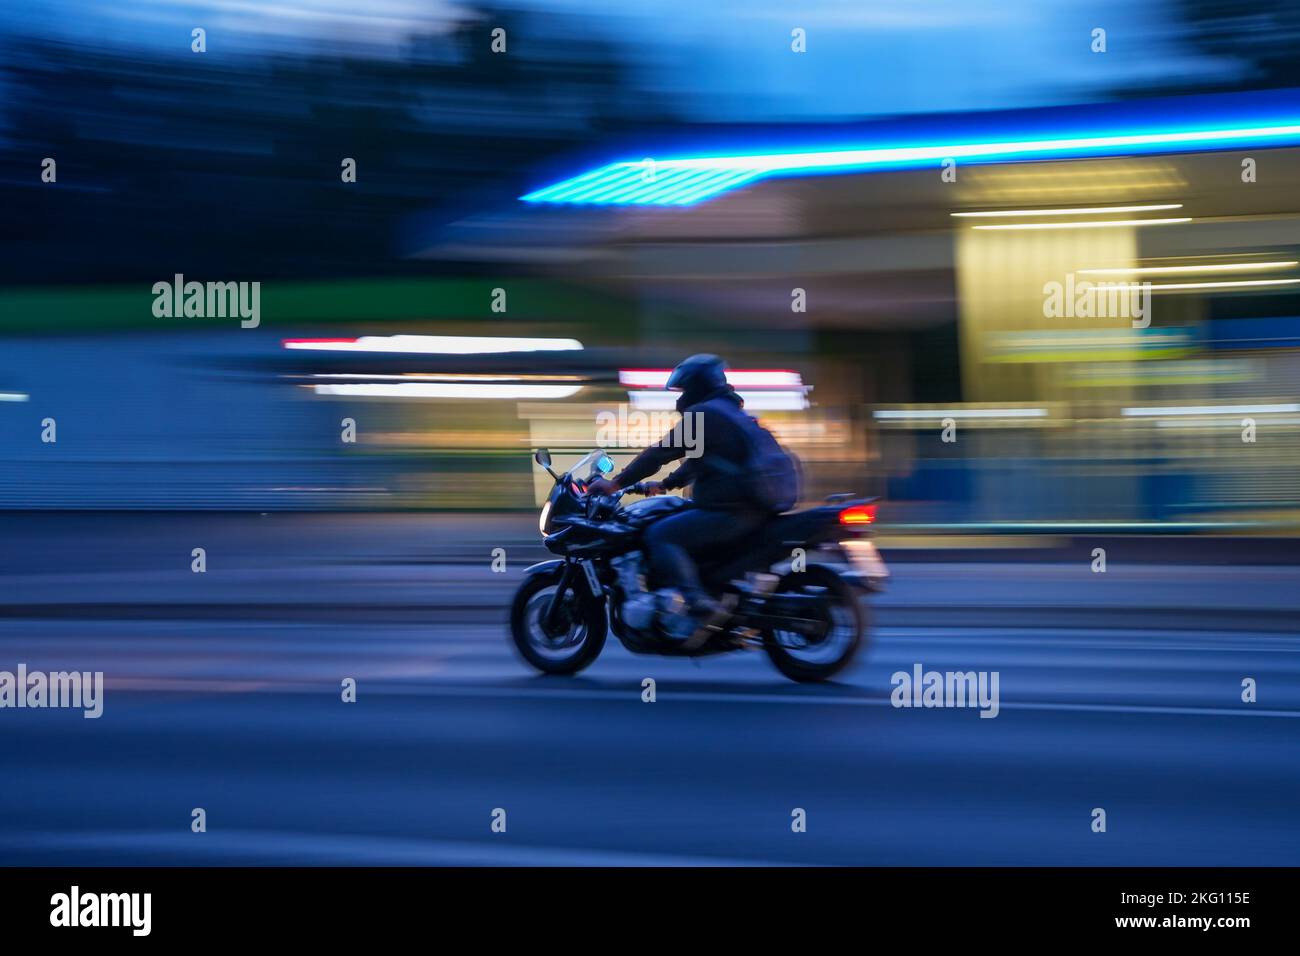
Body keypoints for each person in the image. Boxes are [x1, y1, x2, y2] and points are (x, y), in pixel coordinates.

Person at [587, 354, 771, 641]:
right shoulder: (729, 413)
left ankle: (698, 604)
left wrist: (616, 483)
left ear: (696, 387)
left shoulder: (705, 415)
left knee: (660, 535)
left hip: (731, 510)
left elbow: (661, 452)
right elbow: (700, 461)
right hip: (750, 507)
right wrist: (665, 484)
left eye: (684, 390)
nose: (681, 397)